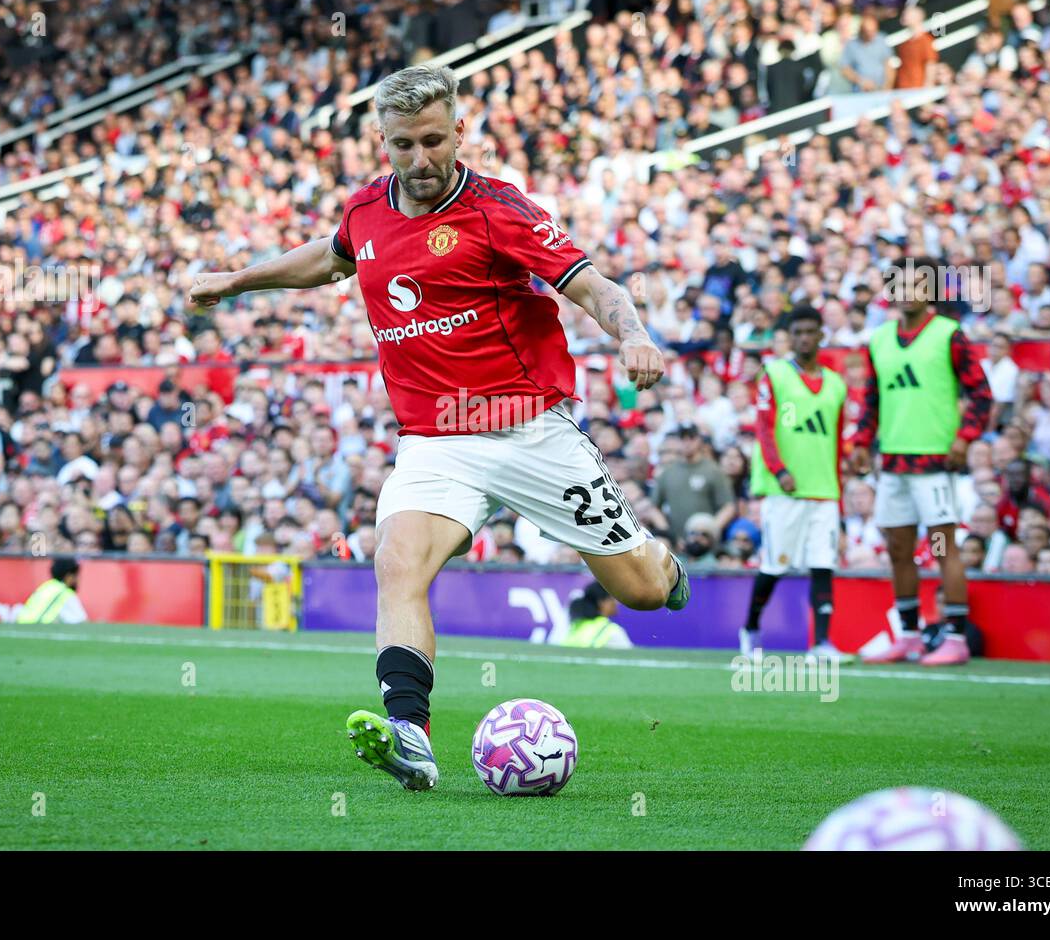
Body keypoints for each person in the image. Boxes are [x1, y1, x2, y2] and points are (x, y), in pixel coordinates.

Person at [189, 65, 688, 793]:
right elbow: (329, 261)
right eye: (402, 145)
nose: (419, 161)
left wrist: (633, 333)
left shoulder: (500, 210)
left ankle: (665, 565)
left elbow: (590, 284)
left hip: (531, 431)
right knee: (396, 560)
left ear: (460, 130)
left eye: (432, 141)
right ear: (381, 142)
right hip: (435, 440)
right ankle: (411, 737)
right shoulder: (365, 214)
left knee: (642, 591)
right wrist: (237, 281)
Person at [851, 258, 993, 665]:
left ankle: (955, 637)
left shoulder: (950, 334)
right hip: (893, 460)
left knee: (943, 546)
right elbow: (872, 399)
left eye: (916, 283)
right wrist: (862, 441)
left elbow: (981, 394)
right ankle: (910, 634)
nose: (907, 291)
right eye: (900, 284)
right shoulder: (878, 339)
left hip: (935, 460)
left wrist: (965, 439)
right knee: (898, 548)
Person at [741, 306, 852, 661]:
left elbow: (836, 443)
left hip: (825, 489)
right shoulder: (773, 373)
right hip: (784, 488)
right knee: (776, 564)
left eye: (811, 331)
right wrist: (778, 469)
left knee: (823, 564)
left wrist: (839, 487)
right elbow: (764, 426)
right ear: (791, 337)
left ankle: (821, 643)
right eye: (798, 332)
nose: (805, 338)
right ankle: (751, 629)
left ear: (821, 335)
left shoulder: (836, 384)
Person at [560, 581, 632, 649]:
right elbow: (630, 659)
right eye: (612, 598)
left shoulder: (576, 626)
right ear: (601, 603)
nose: (616, 602)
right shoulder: (612, 632)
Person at [16, 557, 89, 624]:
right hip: (40, 628)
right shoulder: (65, 593)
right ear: (68, 576)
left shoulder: (45, 587)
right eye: (76, 575)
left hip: (21, 624)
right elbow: (82, 621)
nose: (78, 579)